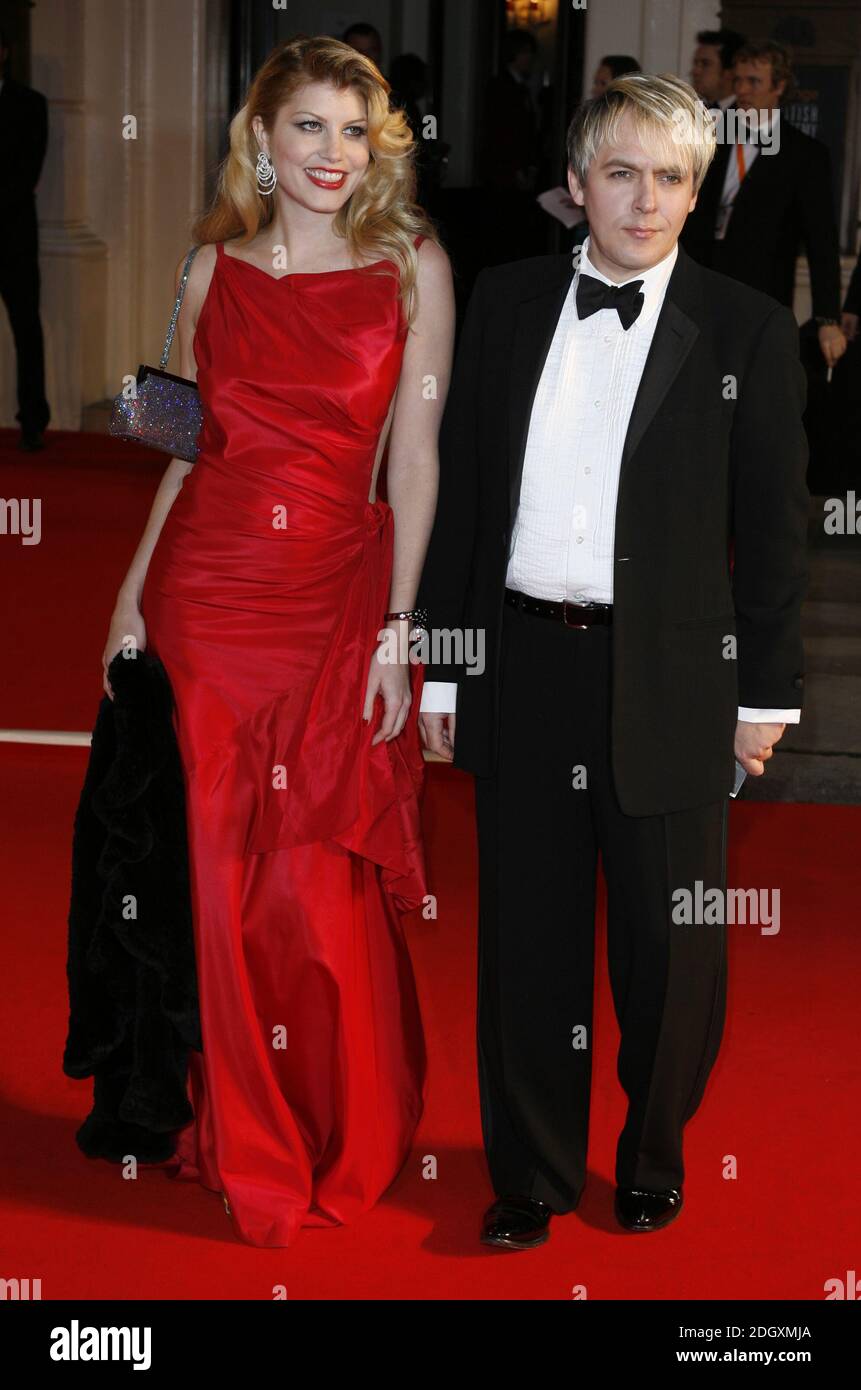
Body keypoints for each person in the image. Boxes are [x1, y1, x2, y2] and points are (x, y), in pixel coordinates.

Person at [417, 72, 808, 1250]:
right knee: (526, 940)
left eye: (673, 179)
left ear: (699, 195)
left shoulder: (744, 328)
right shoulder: (506, 299)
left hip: (676, 680)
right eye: (623, 175)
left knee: (670, 945)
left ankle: (652, 1154)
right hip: (527, 665)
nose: (646, 203)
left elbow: (776, 529)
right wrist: (443, 663)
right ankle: (530, 1174)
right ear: (577, 183)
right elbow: (467, 495)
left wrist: (765, 694)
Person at [99, 35, 454, 1247]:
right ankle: (246, 1136)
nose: (332, 154)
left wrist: (403, 627)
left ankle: (338, 1122)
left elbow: (415, 456)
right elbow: (175, 444)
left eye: (355, 132)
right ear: (262, 135)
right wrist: (133, 594)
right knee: (218, 881)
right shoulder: (206, 268)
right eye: (308, 127)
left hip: (334, 601)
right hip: (209, 595)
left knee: (310, 880)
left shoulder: (413, 266)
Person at [681, 40, 846, 374]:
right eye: (738, 80)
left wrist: (828, 319)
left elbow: (822, 243)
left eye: (754, 81)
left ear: (779, 86)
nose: (742, 90)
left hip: (760, 297)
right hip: (699, 289)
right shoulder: (711, 137)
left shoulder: (805, 155)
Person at [0, 26, 50, 450]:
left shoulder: (31, 105)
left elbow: (28, 173)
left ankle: (32, 420)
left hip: (14, 235)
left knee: (27, 328)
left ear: (4, 51)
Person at [689, 28, 745, 110]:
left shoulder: (747, 116)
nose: (695, 71)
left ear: (729, 72)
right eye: (695, 63)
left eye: (705, 64)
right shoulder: (695, 111)